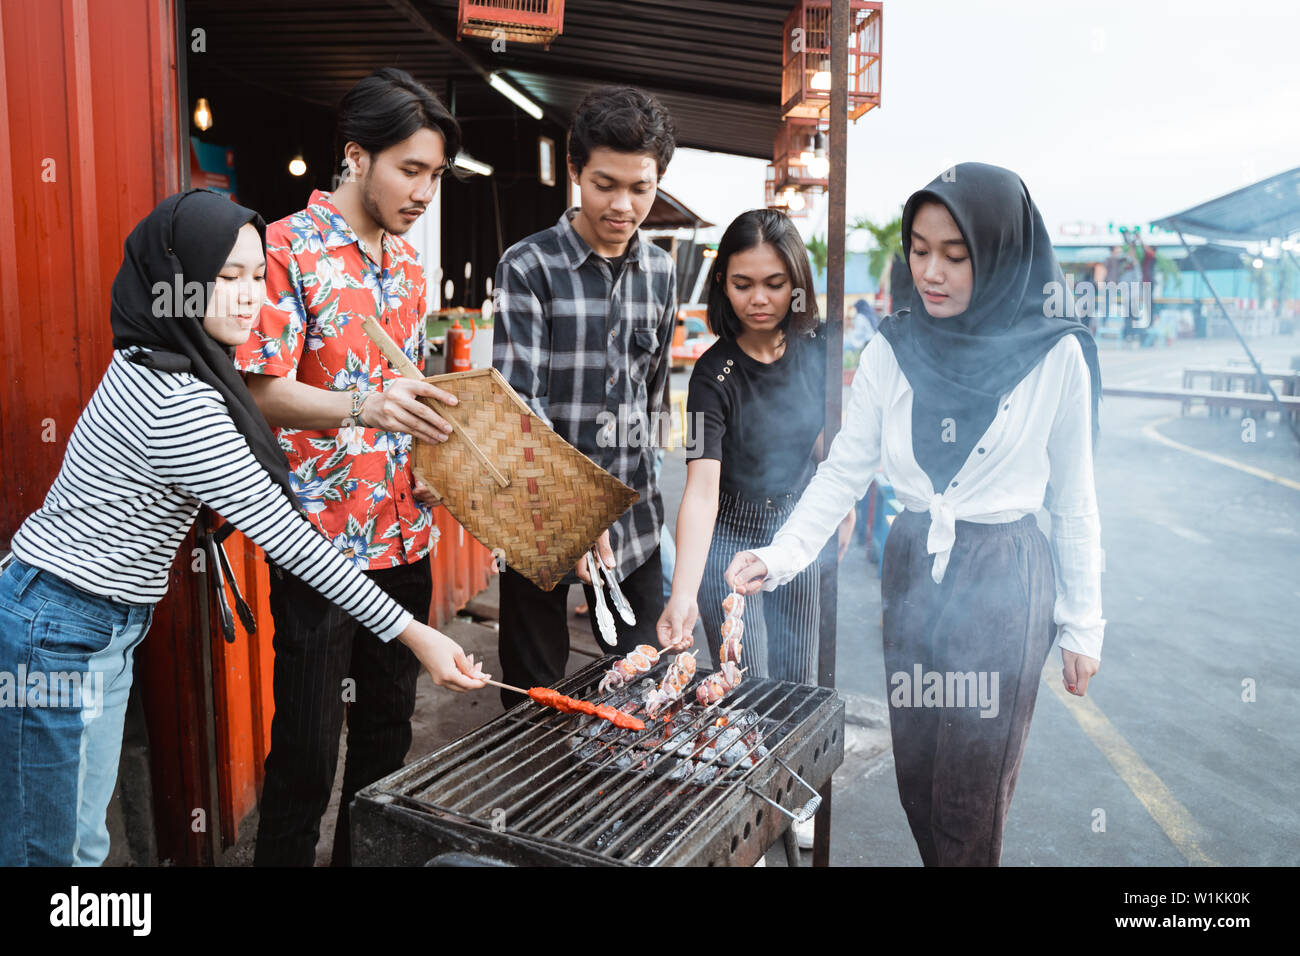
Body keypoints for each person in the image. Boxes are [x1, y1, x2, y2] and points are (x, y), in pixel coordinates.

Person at [0, 189, 487, 867]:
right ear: (175, 282)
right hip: (59, 630)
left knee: (79, 846)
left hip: (92, 625)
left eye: (257, 277)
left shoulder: (157, 352)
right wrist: (418, 634)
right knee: (42, 856)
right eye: (225, 277)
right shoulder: (179, 400)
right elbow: (290, 540)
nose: (247, 297)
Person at [726, 163, 1105, 867]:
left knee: (970, 800)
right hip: (912, 565)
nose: (931, 272)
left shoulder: (1056, 357)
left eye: (955, 256)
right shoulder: (893, 347)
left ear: (999, 256)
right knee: (920, 782)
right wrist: (779, 556)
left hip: (1004, 574)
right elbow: (845, 469)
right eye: (920, 250)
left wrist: (1084, 621)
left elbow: (1075, 499)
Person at [236, 68, 467, 866]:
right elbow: (259, 387)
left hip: (406, 536)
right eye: (411, 168)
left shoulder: (407, 267)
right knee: (304, 753)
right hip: (318, 545)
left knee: (383, 749)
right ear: (356, 157)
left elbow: (405, 388)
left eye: (435, 175)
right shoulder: (282, 247)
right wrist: (363, 408)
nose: (424, 190)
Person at [492, 85, 678, 705]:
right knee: (532, 701)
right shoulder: (527, 266)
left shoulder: (662, 270)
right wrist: (574, 513)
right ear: (574, 170)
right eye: (605, 185)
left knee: (648, 695)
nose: (622, 205)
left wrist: (625, 500)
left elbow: (655, 402)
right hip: (540, 517)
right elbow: (520, 406)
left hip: (633, 523)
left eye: (640, 188)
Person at [657, 209, 853, 688]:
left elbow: (835, 450)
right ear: (722, 283)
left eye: (775, 283)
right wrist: (681, 592)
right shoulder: (711, 375)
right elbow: (702, 492)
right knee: (745, 685)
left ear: (796, 283)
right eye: (743, 284)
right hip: (727, 537)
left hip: (797, 525)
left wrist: (841, 513)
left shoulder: (819, 351)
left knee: (797, 681)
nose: (759, 300)